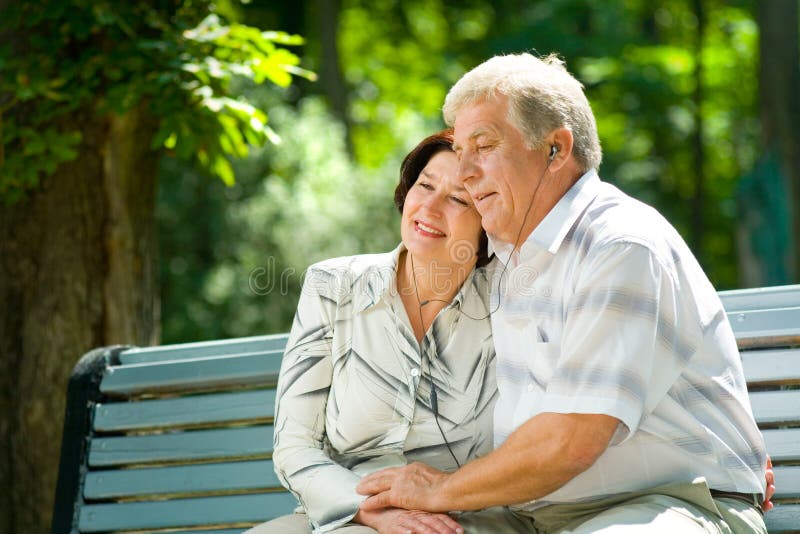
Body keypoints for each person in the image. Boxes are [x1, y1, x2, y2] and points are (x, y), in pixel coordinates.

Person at [358, 53, 771, 533]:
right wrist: (372, 501)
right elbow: (414, 260)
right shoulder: (505, 252)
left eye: (483, 146)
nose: (465, 174)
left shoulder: (621, 245)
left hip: (668, 503)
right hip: (531, 513)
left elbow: (572, 440)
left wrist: (440, 490)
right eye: (460, 149)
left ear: (555, 149)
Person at [246, 130, 526, 534]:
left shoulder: (511, 304)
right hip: (342, 514)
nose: (429, 206)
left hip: (463, 521)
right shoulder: (331, 286)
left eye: (458, 198)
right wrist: (368, 510)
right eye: (424, 185)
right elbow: (294, 446)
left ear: (487, 220)